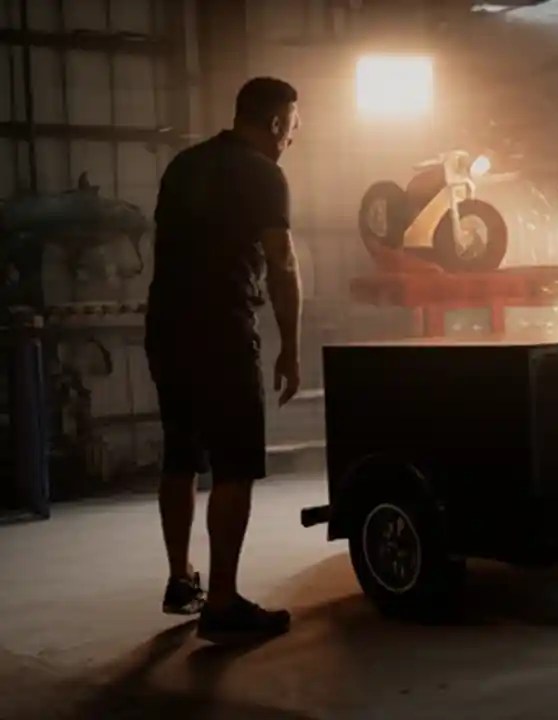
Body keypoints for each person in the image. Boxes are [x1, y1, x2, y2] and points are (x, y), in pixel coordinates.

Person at [144, 77, 302, 644]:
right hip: (221, 330)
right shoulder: (265, 175)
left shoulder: (183, 165)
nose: (293, 138)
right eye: (294, 126)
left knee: (180, 454)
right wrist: (291, 345)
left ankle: (180, 580)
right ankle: (224, 601)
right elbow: (282, 266)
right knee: (235, 466)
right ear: (278, 122)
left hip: (165, 326)